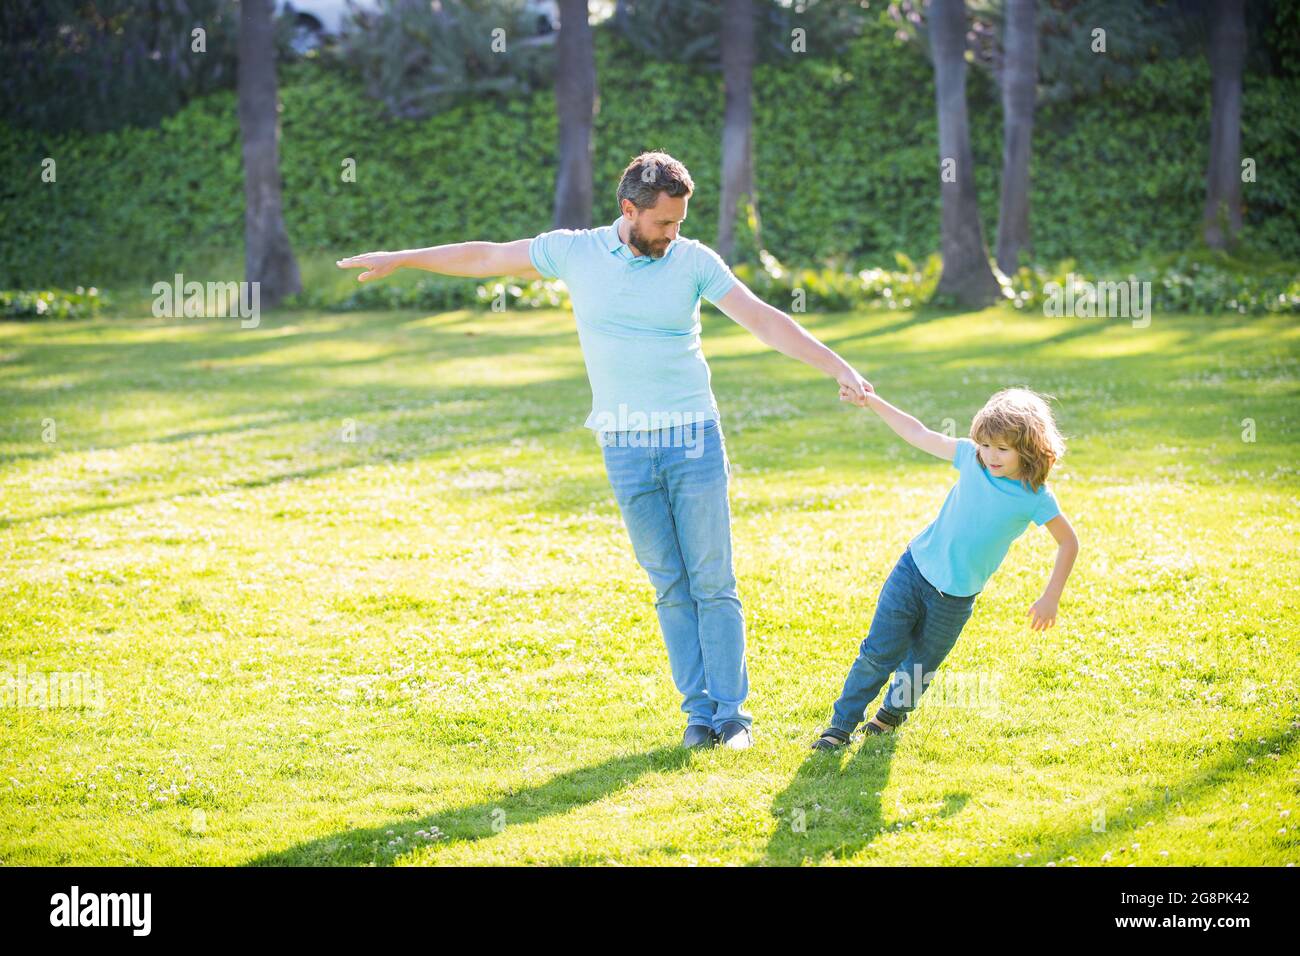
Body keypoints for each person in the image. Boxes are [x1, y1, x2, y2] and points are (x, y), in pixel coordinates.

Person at [338, 150, 874, 750]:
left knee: (712, 582)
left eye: (680, 222)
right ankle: (698, 717)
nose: (673, 234)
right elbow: (485, 255)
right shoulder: (575, 252)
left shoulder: (694, 260)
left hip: (692, 437)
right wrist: (402, 257)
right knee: (669, 584)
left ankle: (733, 719)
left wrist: (838, 366)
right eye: (663, 223)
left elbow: (766, 320)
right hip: (623, 445)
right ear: (629, 209)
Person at [811, 386, 1080, 750]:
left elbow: (1068, 542)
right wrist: (872, 401)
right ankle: (840, 727)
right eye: (985, 445)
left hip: (954, 599)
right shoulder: (971, 458)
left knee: (919, 668)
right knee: (877, 653)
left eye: (1003, 449)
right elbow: (918, 432)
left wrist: (1051, 597)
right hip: (913, 571)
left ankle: (888, 717)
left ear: (1028, 448)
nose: (991, 455)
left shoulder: (1035, 497)